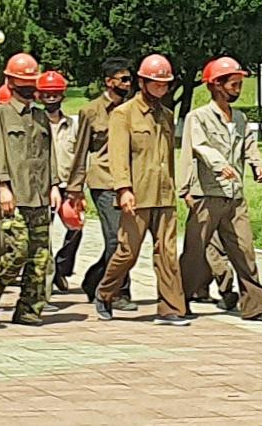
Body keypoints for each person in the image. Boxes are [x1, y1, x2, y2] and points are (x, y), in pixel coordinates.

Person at [94, 53, 190, 325]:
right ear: (142, 82)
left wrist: (177, 187)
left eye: (165, 84)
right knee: (127, 251)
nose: (162, 88)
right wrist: (123, 189)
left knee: (167, 253)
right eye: (156, 83)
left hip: (164, 194)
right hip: (137, 195)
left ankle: (171, 308)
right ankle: (105, 293)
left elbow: (169, 157)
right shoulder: (124, 115)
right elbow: (118, 155)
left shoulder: (166, 116)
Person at [180, 57, 262, 321]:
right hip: (206, 195)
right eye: (233, 83)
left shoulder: (241, 118)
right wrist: (218, 166)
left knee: (244, 250)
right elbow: (199, 146)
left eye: (239, 83)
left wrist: (257, 163)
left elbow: (248, 144)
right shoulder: (197, 118)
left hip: (235, 196)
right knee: (195, 252)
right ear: (216, 85)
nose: (238, 88)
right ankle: (179, 302)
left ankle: (255, 305)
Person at [0, 53, 58, 324]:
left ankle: (28, 309)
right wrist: (2, 186)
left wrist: (55, 185)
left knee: (40, 257)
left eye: (30, 81)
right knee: (18, 250)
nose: (27, 86)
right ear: (9, 82)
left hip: (39, 195)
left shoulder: (40, 117)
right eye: (21, 81)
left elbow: (50, 154)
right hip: (13, 194)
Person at [65, 58, 135, 307]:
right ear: (109, 81)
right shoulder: (91, 111)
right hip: (103, 181)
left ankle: (94, 280)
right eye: (123, 79)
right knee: (116, 239)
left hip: (130, 182)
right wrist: (74, 188)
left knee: (128, 240)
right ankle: (118, 292)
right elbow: (81, 149)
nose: (128, 84)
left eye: (130, 79)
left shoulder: (133, 109)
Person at [44, 73, 85, 293]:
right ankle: (48, 276)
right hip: (43, 187)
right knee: (43, 234)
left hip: (69, 186)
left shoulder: (73, 125)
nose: (51, 98)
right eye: (47, 94)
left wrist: (77, 187)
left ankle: (61, 267)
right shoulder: (37, 123)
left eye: (55, 94)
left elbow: (79, 156)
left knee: (77, 227)